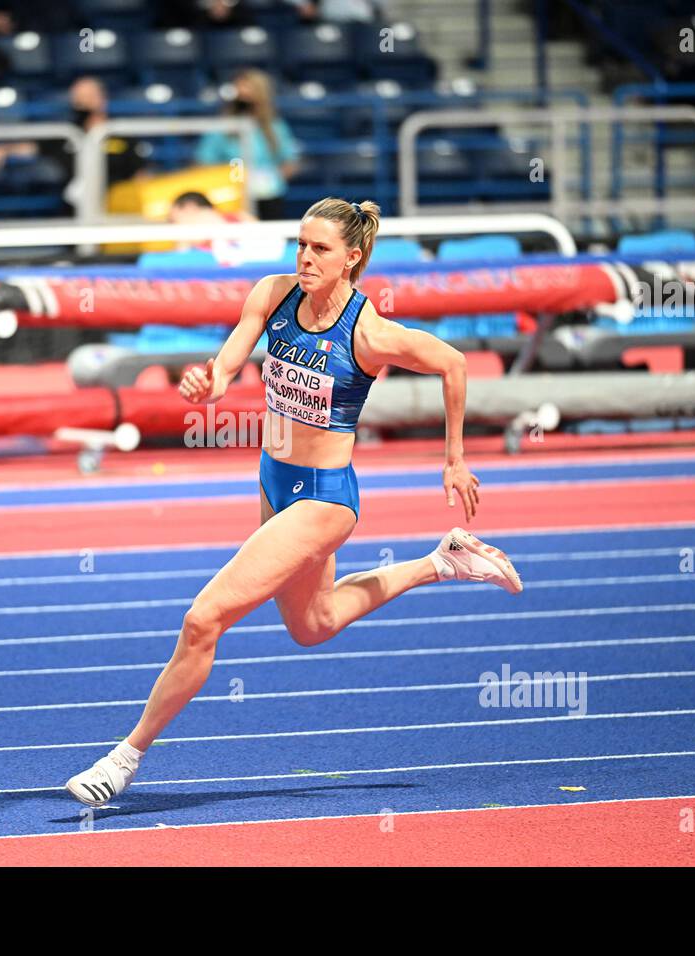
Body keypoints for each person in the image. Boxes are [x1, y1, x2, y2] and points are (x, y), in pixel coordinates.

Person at [64, 198, 523, 808]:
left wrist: (455, 458)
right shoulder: (273, 294)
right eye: (300, 244)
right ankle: (443, 561)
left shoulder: (369, 331)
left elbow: (454, 362)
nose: (305, 257)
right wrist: (209, 383)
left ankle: (125, 757)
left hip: (325, 500)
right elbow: (226, 367)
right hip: (273, 479)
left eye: (320, 249)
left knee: (204, 619)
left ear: (352, 259)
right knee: (313, 624)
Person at [0, 76, 151, 213]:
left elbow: (139, 173)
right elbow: (32, 147)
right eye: (78, 98)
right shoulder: (67, 133)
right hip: (76, 206)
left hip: (115, 204)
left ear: (102, 98)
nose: (83, 102)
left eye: (88, 96)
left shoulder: (121, 133)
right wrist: (3, 150)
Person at [195, 69, 300, 221]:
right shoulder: (222, 127)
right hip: (233, 196)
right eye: (240, 89)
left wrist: (273, 179)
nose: (244, 95)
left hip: (268, 195)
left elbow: (289, 161)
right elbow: (204, 161)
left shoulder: (275, 126)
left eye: (249, 89)